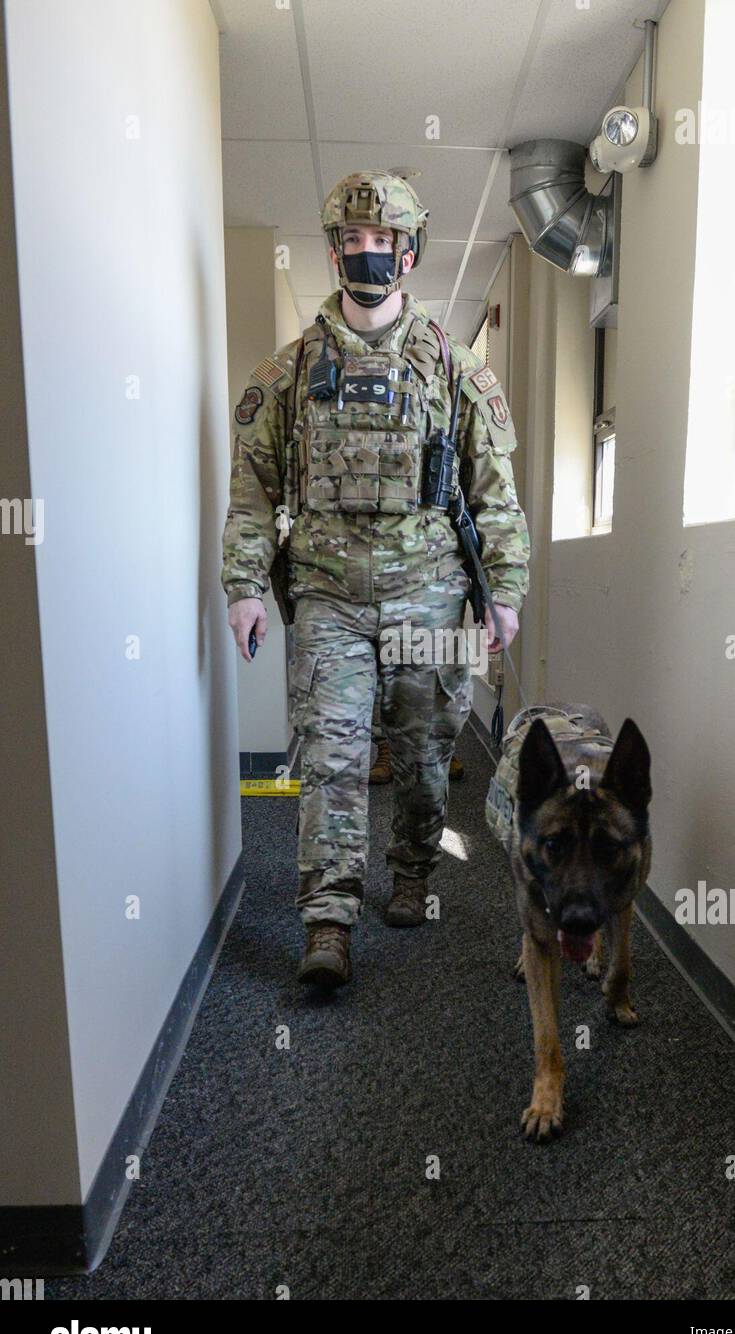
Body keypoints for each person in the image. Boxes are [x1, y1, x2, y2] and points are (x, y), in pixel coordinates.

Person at [221, 171, 529, 990]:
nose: (367, 254)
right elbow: (252, 488)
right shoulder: (285, 374)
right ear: (332, 250)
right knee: (331, 756)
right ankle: (328, 920)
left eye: (383, 242)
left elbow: (493, 491)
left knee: (426, 756)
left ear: (410, 250)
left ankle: (414, 874)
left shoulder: (457, 372)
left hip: (430, 597)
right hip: (328, 598)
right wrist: (246, 584)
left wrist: (503, 591)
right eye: (353, 241)